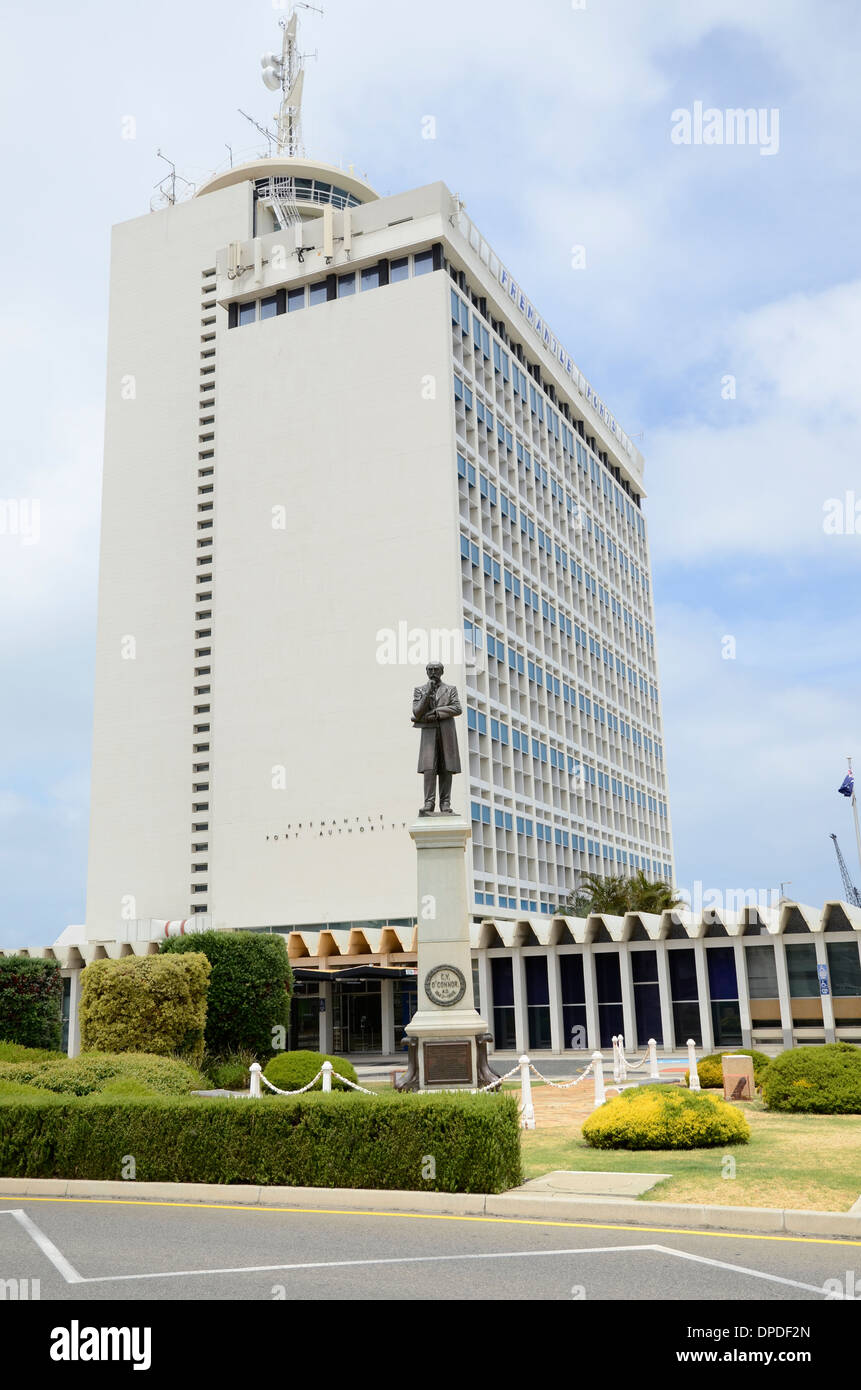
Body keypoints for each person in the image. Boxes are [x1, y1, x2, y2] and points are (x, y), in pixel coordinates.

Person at [411, 662, 462, 814]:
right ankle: (429, 803)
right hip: (429, 733)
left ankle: (445, 802)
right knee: (429, 768)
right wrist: (427, 693)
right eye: (430, 670)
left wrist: (437, 712)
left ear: (442, 671)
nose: (433, 672)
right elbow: (417, 712)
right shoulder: (420, 690)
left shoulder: (450, 689)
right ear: (426, 671)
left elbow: (457, 708)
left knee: (446, 767)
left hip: (447, 732)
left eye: (436, 670)